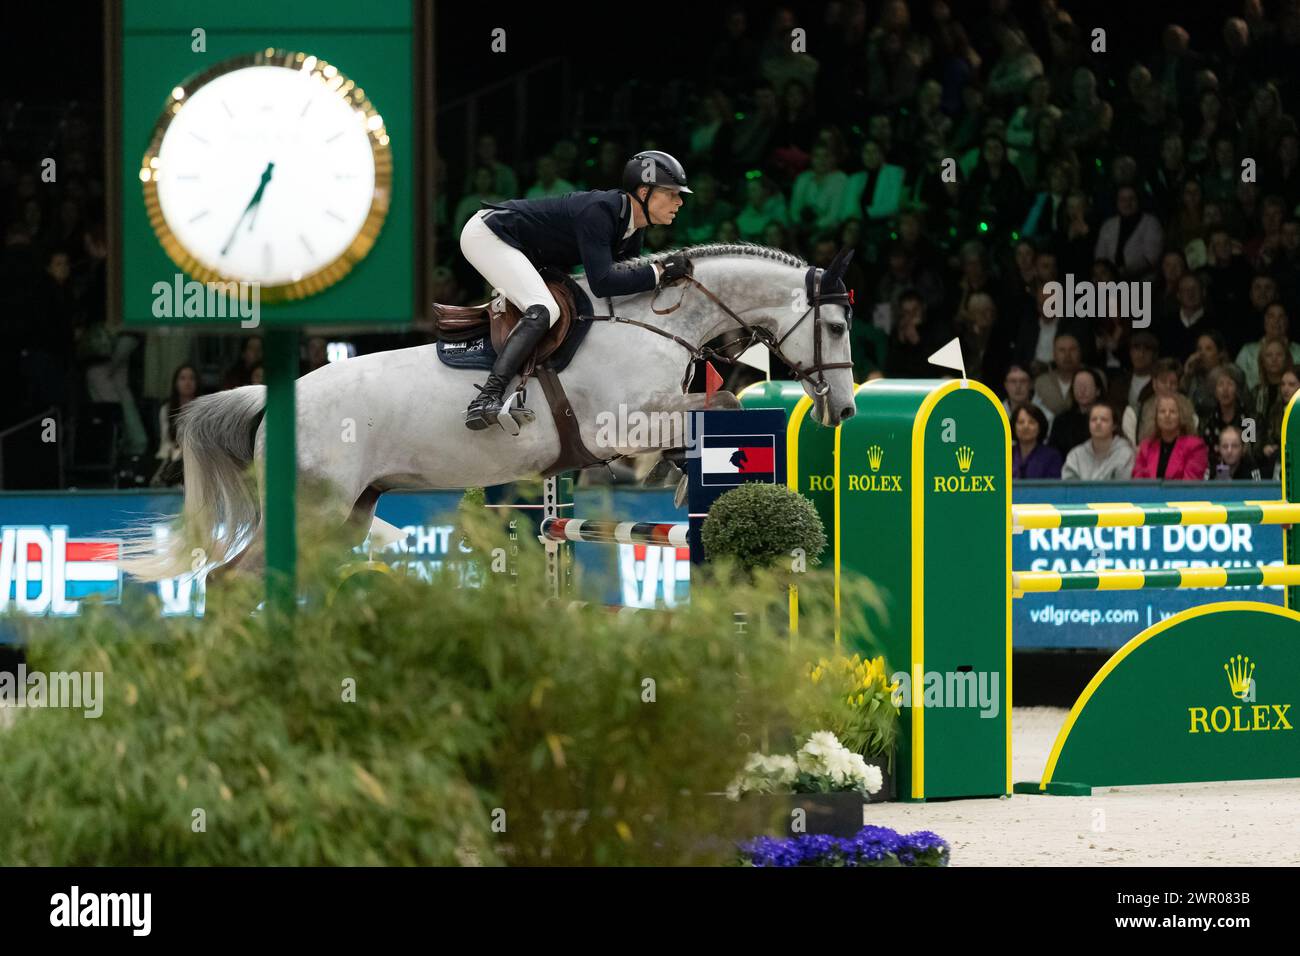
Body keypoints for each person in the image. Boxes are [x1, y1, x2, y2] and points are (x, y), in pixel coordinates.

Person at [457, 150, 694, 430]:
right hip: (489, 235)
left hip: (526, 250)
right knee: (544, 309)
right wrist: (660, 271)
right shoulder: (601, 211)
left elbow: (621, 286)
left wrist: (660, 276)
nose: (679, 201)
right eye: (672, 194)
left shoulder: (631, 227)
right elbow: (603, 282)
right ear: (644, 191)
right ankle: (486, 397)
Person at [1132, 393, 1208, 480]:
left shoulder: (1195, 447)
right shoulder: (1146, 447)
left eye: (1172, 411)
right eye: (1162, 411)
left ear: (1181, 417)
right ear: (1156, 417)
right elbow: (1138, 483)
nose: (1167, 415)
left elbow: (1190, 485)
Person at [151, 364, 200, 487]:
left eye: (191, 378)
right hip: (171, 456)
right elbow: (165, 441)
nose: (187, 382)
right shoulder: (166, 409)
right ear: (176, 383)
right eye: (183, 378)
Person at [1061, 402, 1135, 480]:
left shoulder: (1125, 454)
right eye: (1093, 420)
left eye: (1104, 420)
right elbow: (1069, 487)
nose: (1098, 423)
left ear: (1114, 426)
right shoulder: (1075, 455)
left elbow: (1124, 488)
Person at [1048, 367, 1106, 457]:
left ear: (1098, 391)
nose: (1082, 390)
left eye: (1087, 386)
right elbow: (1053, 454)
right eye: (1078, 386)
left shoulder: (1106, 419)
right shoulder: (1061, 420)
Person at [1011, 402, 1062, 479]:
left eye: (1032, 422)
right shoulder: (1004, 455)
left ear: (1040, 427)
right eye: (1021, 422)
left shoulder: (1052, 457)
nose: (1026, 427)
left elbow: (1053, 488)